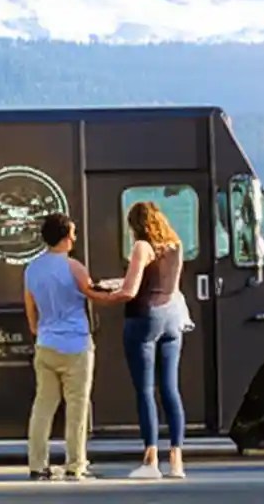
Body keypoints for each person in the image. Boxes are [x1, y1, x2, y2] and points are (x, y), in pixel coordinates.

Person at [23, 212, 119, 481]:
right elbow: (93, 293)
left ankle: (37, 464)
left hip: (46, 344)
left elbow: (30, 306)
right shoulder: (74, 267)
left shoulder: (31, 269)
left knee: (43, 406)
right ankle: (75, 464)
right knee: (77, 406)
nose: (75, 238)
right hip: (76, 344)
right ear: (65, 238)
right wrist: (120, 290)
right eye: (73, 234)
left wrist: (38, 329)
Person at [106, 201, 191, 479]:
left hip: (144, 318)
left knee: (145, 390)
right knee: (170, 389)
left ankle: (150, 460)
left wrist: (101, 294)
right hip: (172, 318)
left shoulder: (142, 247)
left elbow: (131, 291)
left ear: (136, 225)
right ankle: (177, 461)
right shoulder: (175, 245)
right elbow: (166, 283)